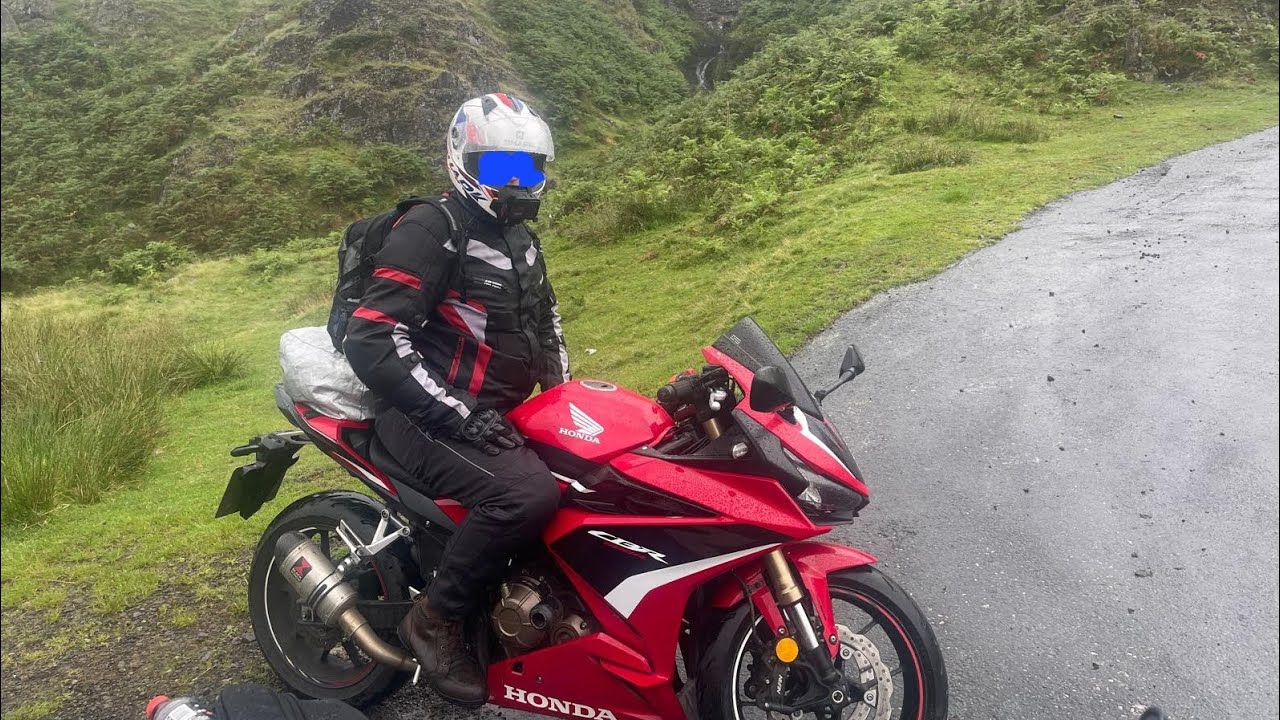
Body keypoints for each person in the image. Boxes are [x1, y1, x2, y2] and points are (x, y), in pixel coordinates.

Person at [342, 93, 569, 707]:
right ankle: (434, 620)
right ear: (465, 162)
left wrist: (567, 396)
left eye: (531, 167)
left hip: (493, 415)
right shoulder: (432, 229)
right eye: (502, 168)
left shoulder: (521, 238)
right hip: (423, 415)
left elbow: (544, 324)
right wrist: (458, 416)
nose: (520, 181)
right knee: (525, 494)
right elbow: (373, 337)